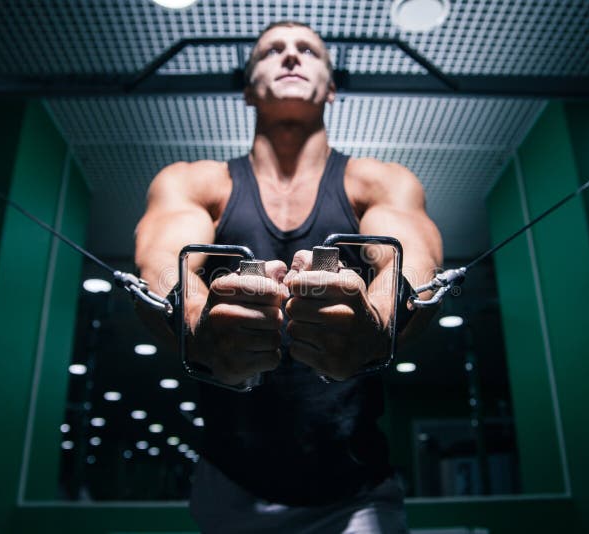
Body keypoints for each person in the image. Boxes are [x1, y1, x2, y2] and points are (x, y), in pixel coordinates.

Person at [135, 21, 442, 533]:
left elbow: (410, 259)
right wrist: (195, 323)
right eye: (272, 51)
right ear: (249, 90)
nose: (292, 57)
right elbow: (162, 262)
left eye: (308, 51)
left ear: (332, 87)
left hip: (355, 493)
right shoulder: (194, 182)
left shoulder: (380, 181)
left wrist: (379, 322)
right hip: (231, 488)